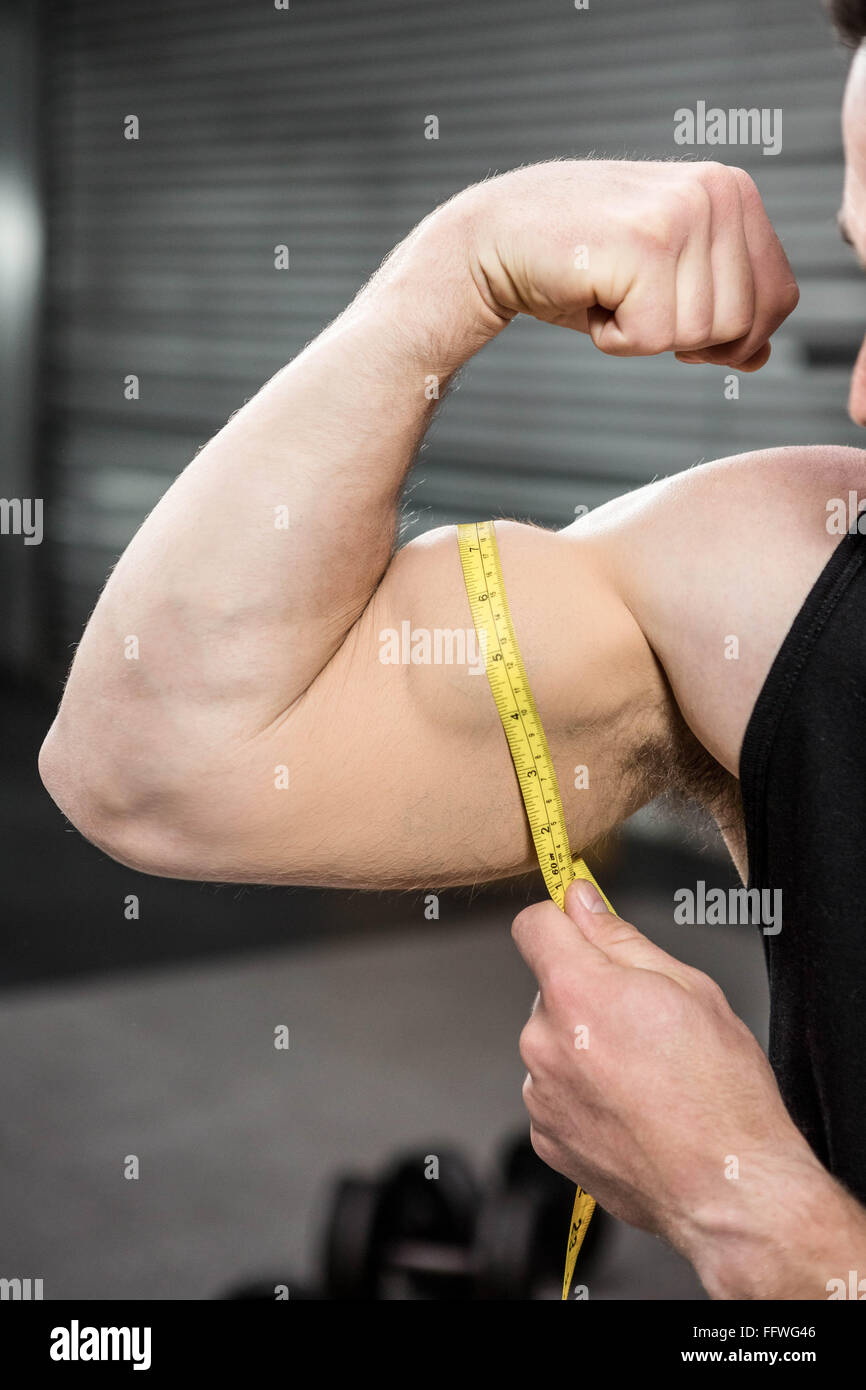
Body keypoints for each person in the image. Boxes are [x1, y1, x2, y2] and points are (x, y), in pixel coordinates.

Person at [38, 1, 866, 1301]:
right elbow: (150, 763)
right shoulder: (784, 573)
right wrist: (454, 268)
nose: (861, 392)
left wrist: (754, 1211)